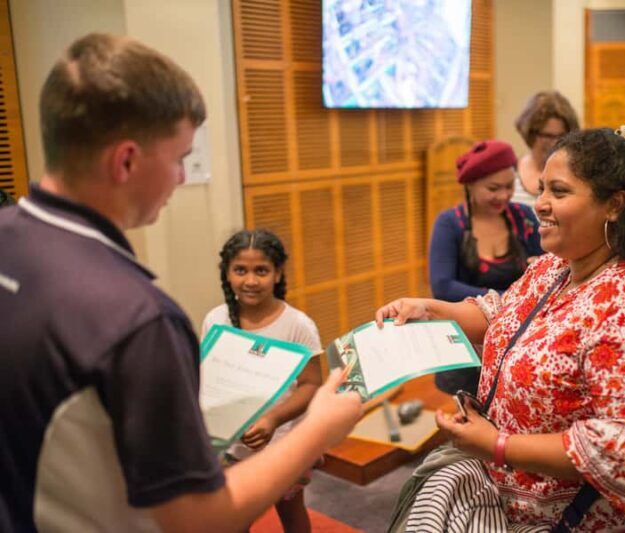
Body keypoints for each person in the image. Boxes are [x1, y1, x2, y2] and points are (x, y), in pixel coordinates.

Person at [0, 33, 361, 532]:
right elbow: (198, 520)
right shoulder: (135, 318)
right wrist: (318, 429)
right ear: (126, 161)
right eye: (179, 159)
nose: (180, 178)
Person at [379, 126, 625, 531]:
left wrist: (496, 445)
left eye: (558, 192)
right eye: (541, 189)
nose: (538, 205)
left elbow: (624, 452)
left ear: (614, 204)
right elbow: (501, 315)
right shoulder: (554, 266)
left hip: (598, 520)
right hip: (519, 503)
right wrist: (429, 308)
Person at [202, 229, 322, 533]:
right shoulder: (216, 320)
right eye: (240, 270)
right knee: (236, 514)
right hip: (234, 441)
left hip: (283, 440)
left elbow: (311, 385)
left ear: (278, 273)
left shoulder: (298, 326)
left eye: (261, 271)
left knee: (290, 508)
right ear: (227, 273)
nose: (251, 280)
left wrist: (272, 419)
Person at [428, 139, 543, 395]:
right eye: (493, 188)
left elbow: (546, 268)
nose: (502, 195)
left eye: (508, 186)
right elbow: (443, 286)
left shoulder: (524, 217)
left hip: (516, 341)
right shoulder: (449, 224)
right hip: (462, 339)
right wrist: (509, 300)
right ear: (470, 185)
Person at [512, 90, 579, 208]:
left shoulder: (576, 175)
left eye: (561, 136)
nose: (554, 143)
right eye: (548, 136)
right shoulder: (511, 172)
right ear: (530, 134)